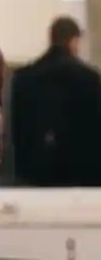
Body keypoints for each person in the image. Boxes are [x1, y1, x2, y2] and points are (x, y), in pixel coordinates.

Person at [10, 16, 101, 187]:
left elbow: (19, 129)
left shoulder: (23, 78)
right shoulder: (88, 78)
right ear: (74, 41)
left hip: (34, 173)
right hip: (80, 174)